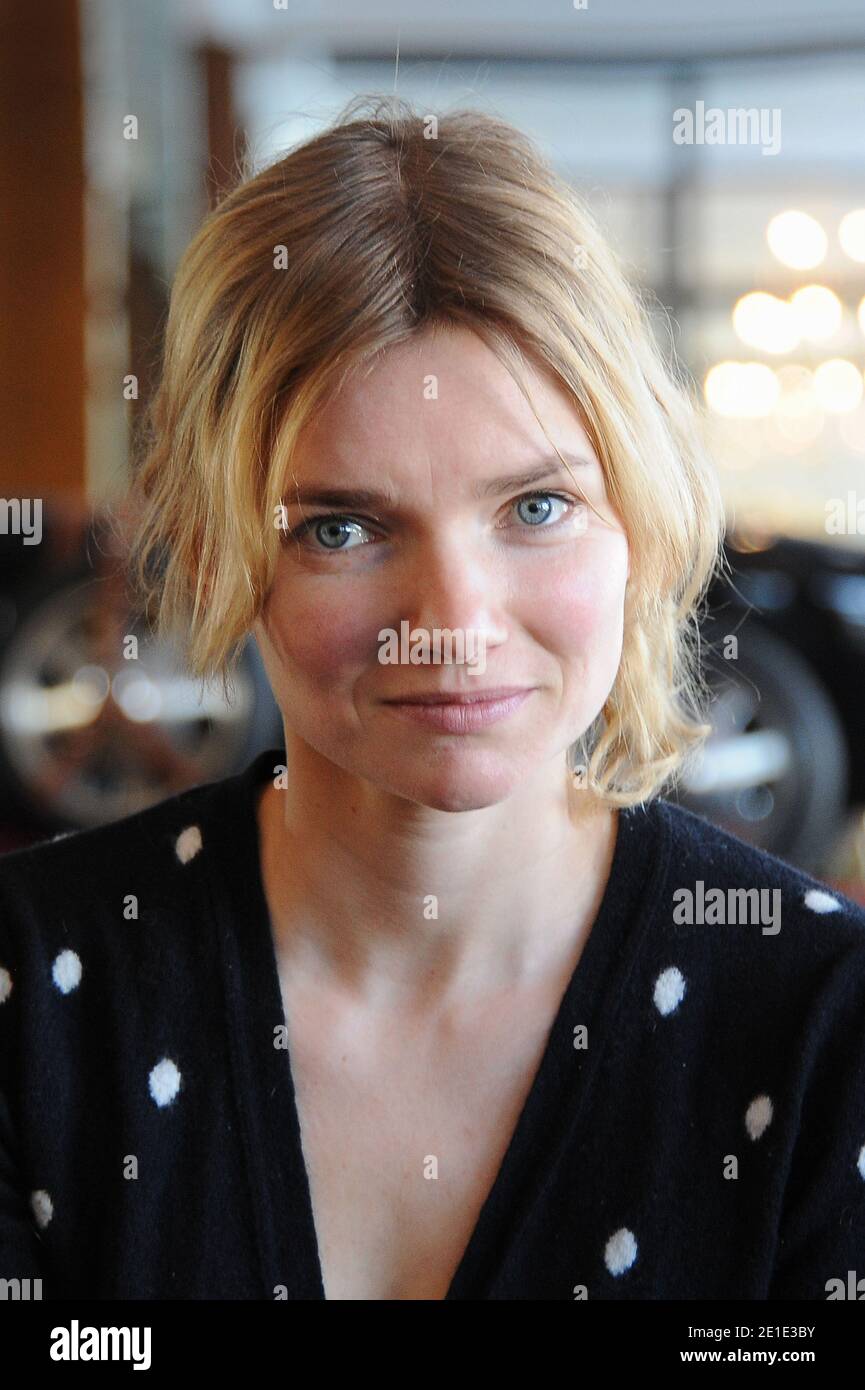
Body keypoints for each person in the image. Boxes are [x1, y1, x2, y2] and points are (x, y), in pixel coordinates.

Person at [2, 95, 865, 1302]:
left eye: (535, 508)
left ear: (642, 518)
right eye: (342, 527)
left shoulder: (826, 1017)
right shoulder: (30, 988)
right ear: (216, 554)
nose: (451, 623)